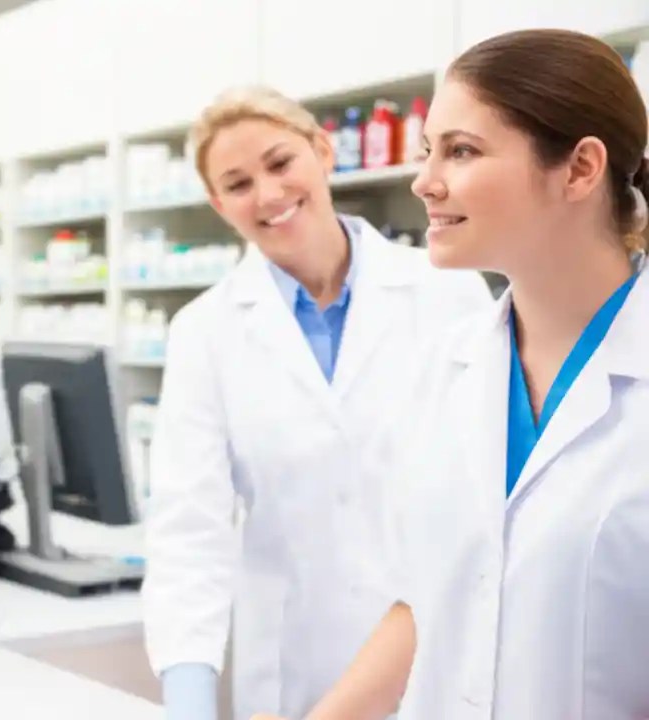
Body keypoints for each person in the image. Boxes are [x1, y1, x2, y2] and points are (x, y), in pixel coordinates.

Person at [253, 28, 649, 720]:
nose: (424, 181)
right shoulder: (444, 365)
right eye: (429, 149)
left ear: (580, 169)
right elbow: (424, 599)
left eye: (462, 151)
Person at [141, 86, 493, 720]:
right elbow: (189, 532)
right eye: (238, 184)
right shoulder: (204, 332)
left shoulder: (449, 292)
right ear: (219, 204)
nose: (268, 194)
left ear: (323, 152)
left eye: (280, 163)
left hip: (432, 664)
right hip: (289, 675)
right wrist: (189, 703)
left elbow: (483, 500)